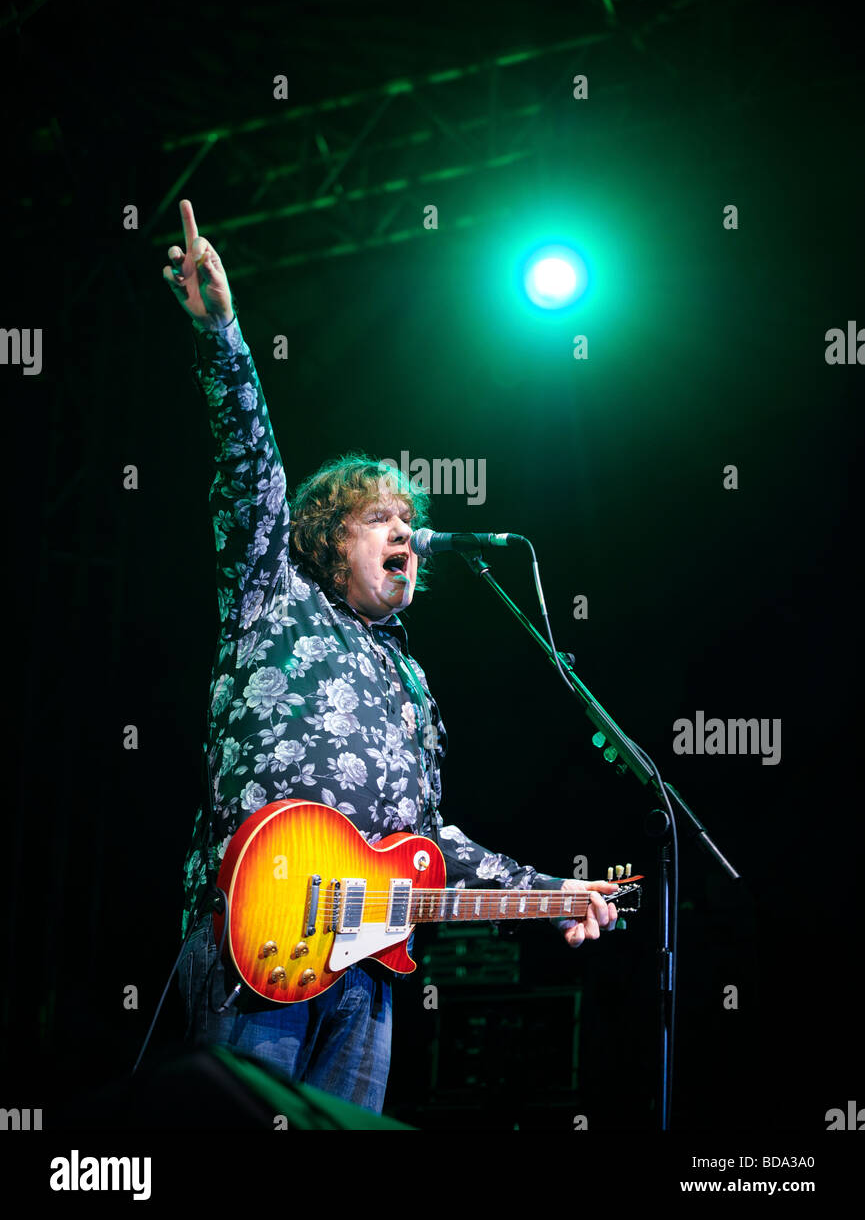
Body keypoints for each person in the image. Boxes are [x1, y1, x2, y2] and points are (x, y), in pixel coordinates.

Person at [165, 199, 618, 1115]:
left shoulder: (407, 681)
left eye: (412, 523)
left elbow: (429, 840)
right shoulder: (271, 592)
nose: (407, 536)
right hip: (257, 934)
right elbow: (247, 462)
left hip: (365, 963)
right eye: (383, 520)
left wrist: (552, 893)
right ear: (330, 538)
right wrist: (224, 337)